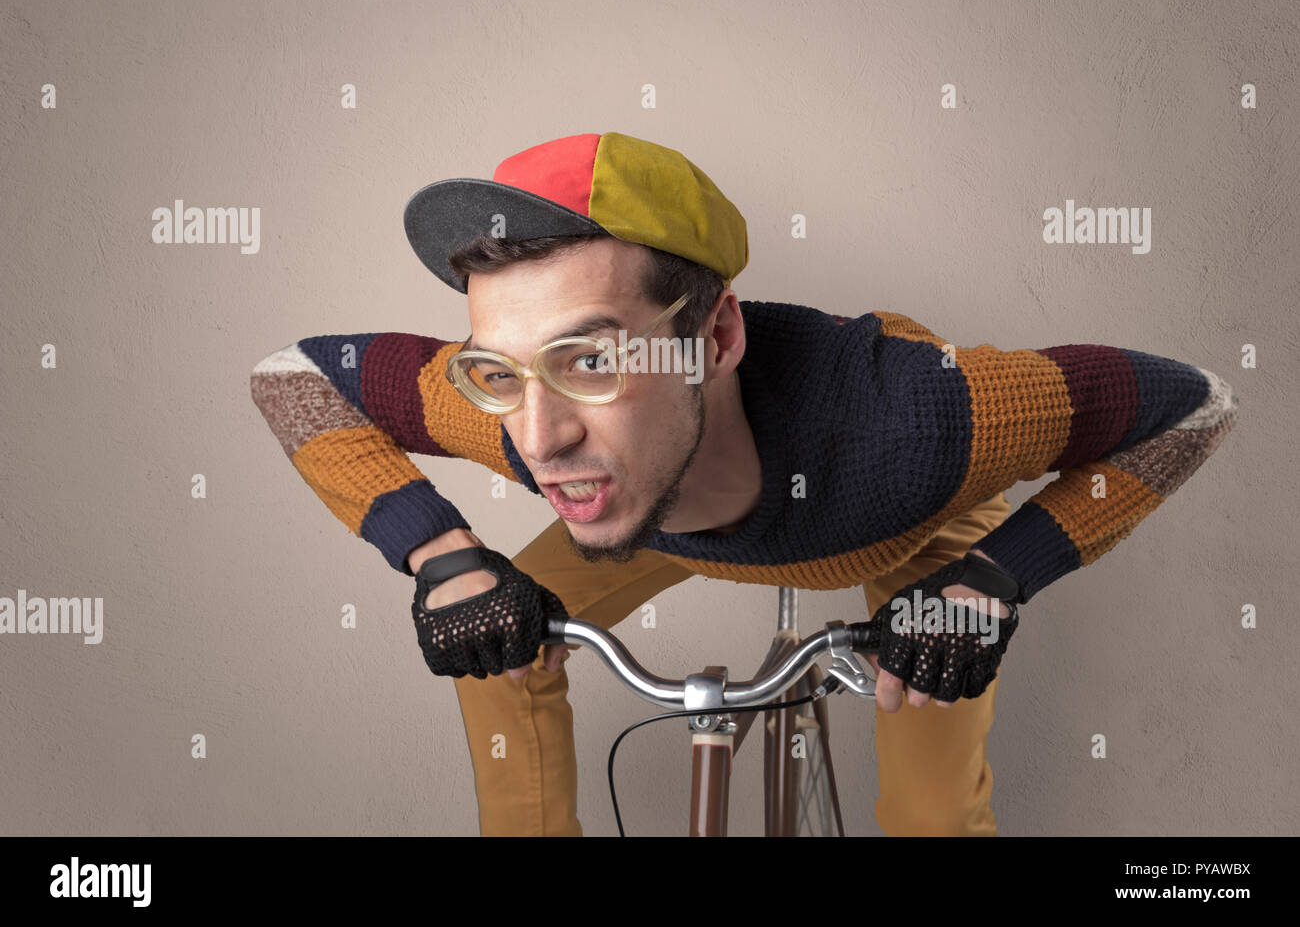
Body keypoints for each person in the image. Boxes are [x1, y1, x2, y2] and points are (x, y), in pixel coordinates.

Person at [249, 131, 1239, 836]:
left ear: (715, 337)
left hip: (903, 527)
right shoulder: (526, 421)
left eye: (592, 361)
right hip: (656, 513)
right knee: (499, 638)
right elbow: (294, 378)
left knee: (933, 813)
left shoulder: (923, 422)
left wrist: (998, 573)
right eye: (503, 368)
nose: (541, 440)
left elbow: (1191, 404)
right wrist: (441, 552)